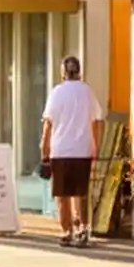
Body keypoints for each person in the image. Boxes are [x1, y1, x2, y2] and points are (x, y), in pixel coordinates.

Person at [40, 56, 104, 247]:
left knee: (62, 195)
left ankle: (66, 230)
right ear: (79, 72)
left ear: (63, 73)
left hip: (59, 150)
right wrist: (95, 146)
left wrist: (44, 151)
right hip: (82, 149)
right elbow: (97, 120)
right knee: (80, 192)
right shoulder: (87, 92)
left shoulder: (56, 93)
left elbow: (48, 125)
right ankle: (82, 228)